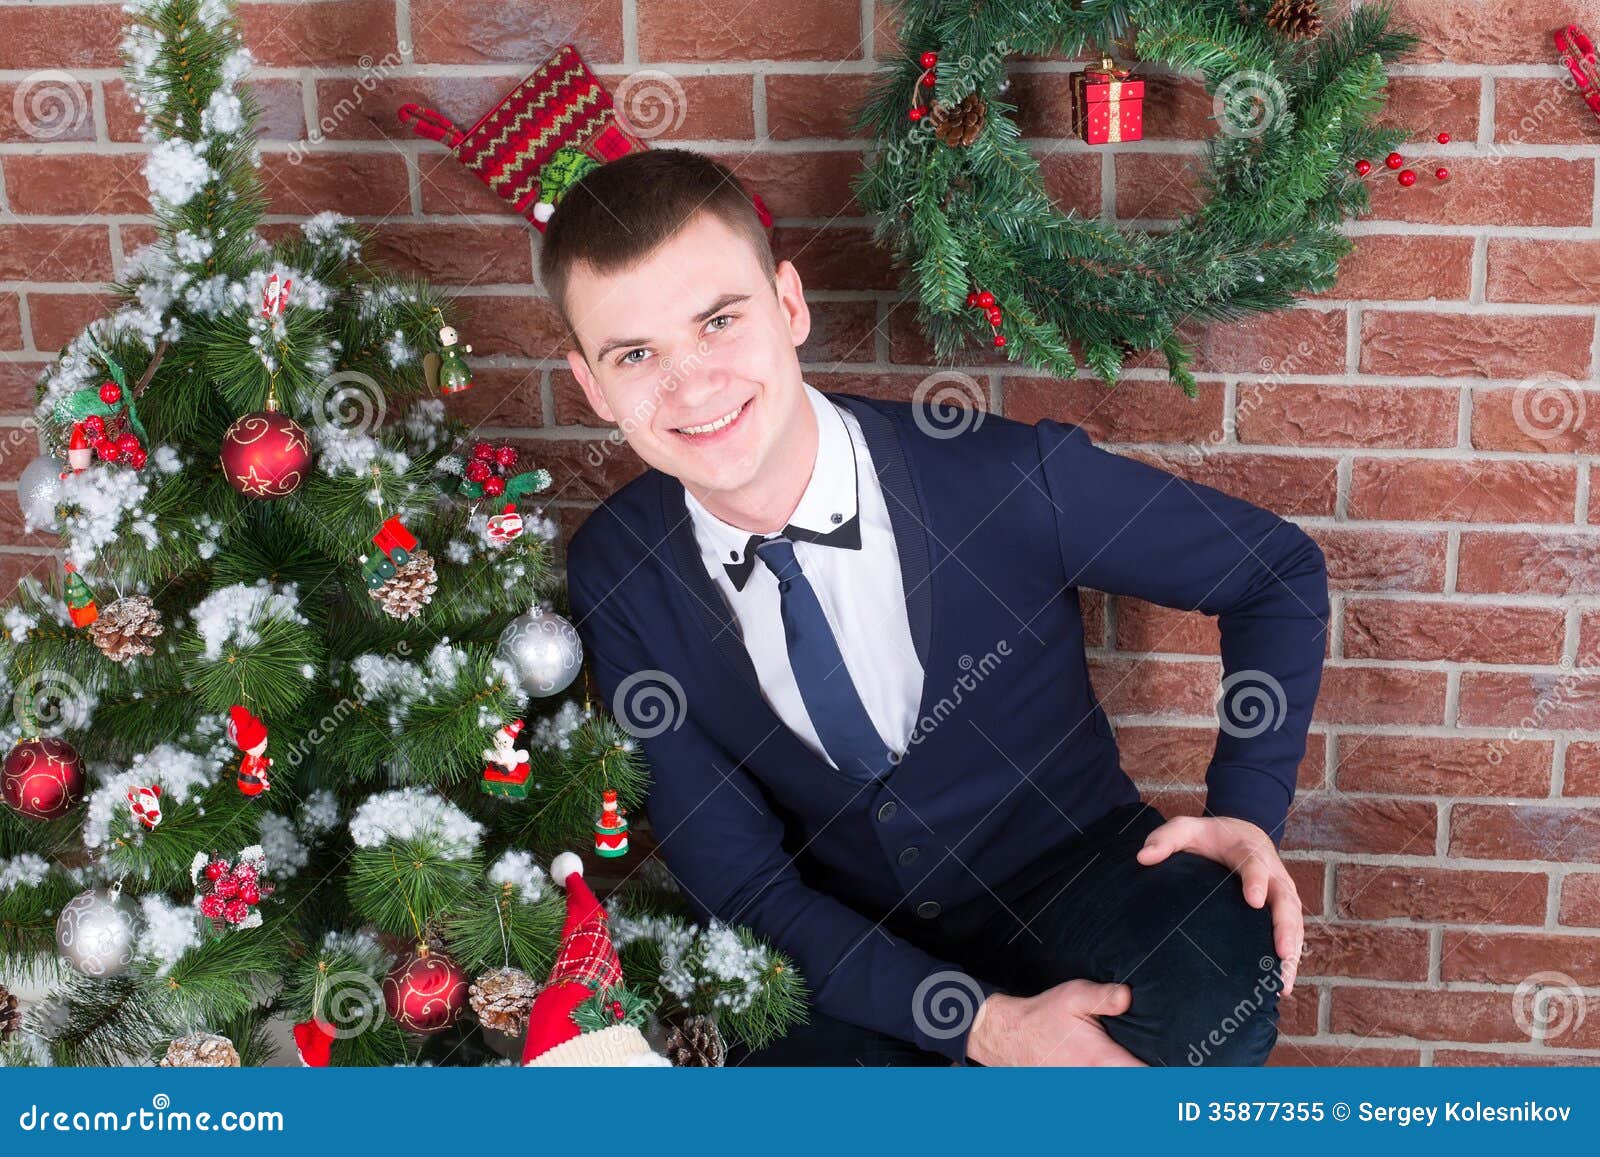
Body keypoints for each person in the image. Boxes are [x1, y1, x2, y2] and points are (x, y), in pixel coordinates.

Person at [545, 148, 1328, 1067]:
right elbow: (745, 885)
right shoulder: (619, 567)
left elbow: (1275, 572)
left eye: (719, 321)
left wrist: (1247, 809)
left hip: (1077, 877)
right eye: (637, 354)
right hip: (847, 945)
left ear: (789, 306)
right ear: (593, 385)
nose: (692, 384)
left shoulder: (1001, 477)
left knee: (1212, 972)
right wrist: (985, 1025)